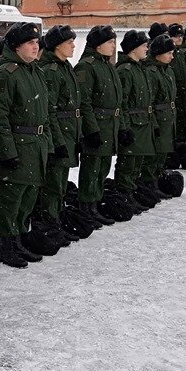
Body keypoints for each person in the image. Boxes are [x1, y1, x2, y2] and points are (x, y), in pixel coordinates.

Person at [0, 21, 54, 267]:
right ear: (16, 47)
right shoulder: (4, 73)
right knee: (11, 201)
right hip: (17, 144)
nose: (36, 48)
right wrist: (7, 151)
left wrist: (49, 144)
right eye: (30, 43)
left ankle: (20, 239)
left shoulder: (35, 71)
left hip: (35, 145)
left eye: (37, 43)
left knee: (28, 198)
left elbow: (45, 113)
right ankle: (7, 245)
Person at [73, 25, 122, 226]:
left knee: (102, 167)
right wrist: (91, 129)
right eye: (110, 42)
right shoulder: (87, 66)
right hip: (97, 124)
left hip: (109, 124)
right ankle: (86, 206)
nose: (113, 45)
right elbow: (84, 102)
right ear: (98, 45)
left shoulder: (107, 64)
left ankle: (95, 203)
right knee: (91, 168)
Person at [34, 24, 81, 232]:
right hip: (58, 133)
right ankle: (49, 222)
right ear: (57, 46)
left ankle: (57, 218)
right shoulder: (51, 71)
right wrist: (58, 142)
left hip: (68, 131)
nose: (73, 46)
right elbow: (49, 111)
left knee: (61, 182)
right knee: (53, 184)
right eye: (69, 42)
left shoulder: (65, 66)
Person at [114, 30, 157, 208]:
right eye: (143, 46)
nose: (147, 48)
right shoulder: (126, 70)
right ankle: (124, 196)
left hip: (143, 122)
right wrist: (124, 128)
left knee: (137, 162)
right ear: (133, 49)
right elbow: (122, 102)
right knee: (128, 163)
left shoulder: (140, 67)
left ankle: (131, 193)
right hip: (132, 123)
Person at [142, 34, 178, 186]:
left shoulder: (167, 70)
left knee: (163, 152)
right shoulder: (151, 72)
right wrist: (154, 122)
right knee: (153, 154)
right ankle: (150, 182)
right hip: (158, 117)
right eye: (168, 53)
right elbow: (149, 100)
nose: (172, 56)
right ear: (158, 54)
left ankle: (157, 179)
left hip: (168, 116)